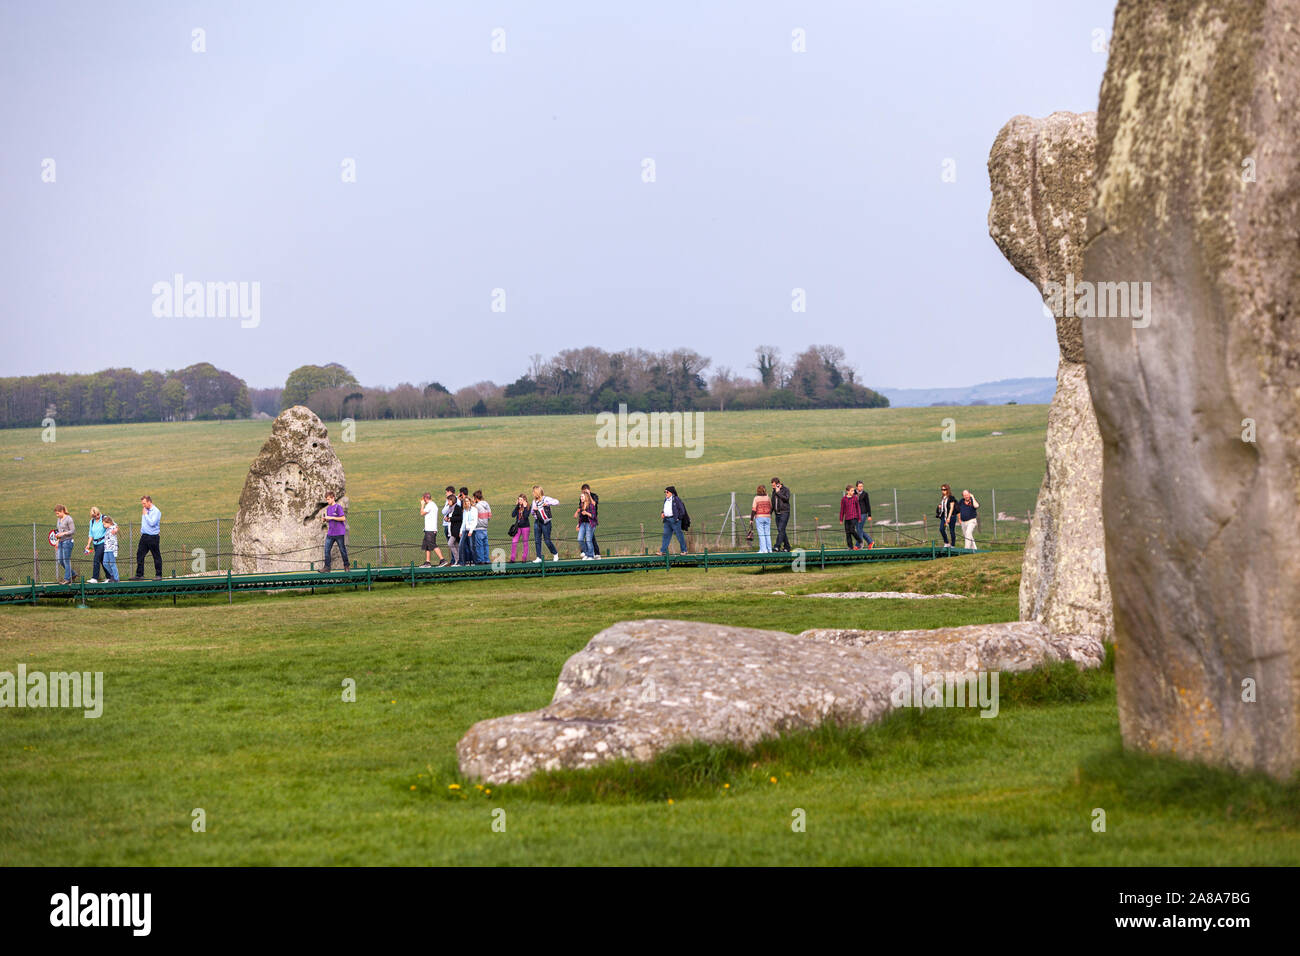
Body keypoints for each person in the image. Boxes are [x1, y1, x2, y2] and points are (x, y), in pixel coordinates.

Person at [133, 495, 162, 580]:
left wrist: (145, 515)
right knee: (139, 555)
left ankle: (158, 575)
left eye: (144, 503)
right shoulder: (145, 509)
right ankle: (139, 575)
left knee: (156, 556)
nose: (143, 505)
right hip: (144, 536)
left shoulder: (156, 511)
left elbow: (152, 523)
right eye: (142, 504)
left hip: (153, 537)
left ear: (149, 502)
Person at [531, 486, 560, 562]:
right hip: (537, 522)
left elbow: (557, 502)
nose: (533, 494)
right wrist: (534, 511)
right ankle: (538, 557)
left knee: (547, 540)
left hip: (546, 522)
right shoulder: (534, 501)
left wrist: (547, 503)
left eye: (534, 492)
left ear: (537, 492)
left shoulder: (545, 498)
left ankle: (555, 553)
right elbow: (532, 513)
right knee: (537, 540)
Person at [322, 492, 350, 571]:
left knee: (342, 550)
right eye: (326, 499)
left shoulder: (338, 507)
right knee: (326, 550)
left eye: (328, 499)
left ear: (333, 498)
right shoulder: (328, 509)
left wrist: (332, 517)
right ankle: (327, 567)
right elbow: (330, 520)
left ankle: (346, 566)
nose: (327, 501)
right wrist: (325, 520)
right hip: (330, 533)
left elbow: (343, 518)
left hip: (339, 533)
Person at [658, 485, 688, 555]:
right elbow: (665, 508)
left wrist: (678, 518)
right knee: (666, 535)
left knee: (679, 535)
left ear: (671, 492)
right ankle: (663, 551)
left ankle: (684, 550)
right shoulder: (666, 499)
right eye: (665, 492)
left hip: (674, 520)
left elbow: (682, 510)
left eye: (667, 492)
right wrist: (663, 512)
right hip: (667, 520)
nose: (666, 493)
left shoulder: (676, 499)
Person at [419, 493, 446, 567]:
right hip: (428, 529)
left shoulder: (430, 505)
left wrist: (422, 505)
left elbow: (422, 513)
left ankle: (442, 560)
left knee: (432, 544)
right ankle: (428, 562)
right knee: (427, 545)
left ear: (425, 498)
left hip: (431, 529)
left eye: (423, 499)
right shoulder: (432, 505)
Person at [53, 505, 76, 584]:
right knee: (60, 560)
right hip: (61, 542)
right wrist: (57, 541)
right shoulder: (59, 519)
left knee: (66, 560)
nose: (57, 515)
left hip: (68, 541)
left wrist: (63, 533)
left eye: (58, 513)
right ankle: (73, 574)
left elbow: (73, 531)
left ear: (62, 511)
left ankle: (67, 579)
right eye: (56, 514)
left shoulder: (69, 519)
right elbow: (59, 531)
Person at [84, 506, 107, 582]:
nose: (97, 516)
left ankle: (94, 578)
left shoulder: (104, 518)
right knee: (102, 561)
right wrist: (88, 544)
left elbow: (112, 525)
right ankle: (109, 577)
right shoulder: (92, 521)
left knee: (96, 559)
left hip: (103, 542)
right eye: (94, 516)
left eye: (98, 514)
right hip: (95, 543)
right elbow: (91, 533)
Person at [770, 478, 792, 551]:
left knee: (781, 529)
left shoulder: (785, 490)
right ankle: (787, 546)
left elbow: (786, 498)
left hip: (784, 512)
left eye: (773, 485)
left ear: (778, 484)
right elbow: (773, 503)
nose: (772, 487)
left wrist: (778, 492)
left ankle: (777, 546)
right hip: (777, 514)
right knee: (781, 530)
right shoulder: (774, 491)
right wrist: (770, 513)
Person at [581, 483, 601, 558]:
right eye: (583, 492)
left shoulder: (594, 496)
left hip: (592, 520)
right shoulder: (582, 497)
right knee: (590, 536)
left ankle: (587, 553)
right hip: (585, 520)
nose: (584, 493)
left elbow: (594, 504)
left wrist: (589, 495)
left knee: (589, 536)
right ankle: (596, 553)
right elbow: (581, 508)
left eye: (585, 492)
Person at [458, 488, 478, 565]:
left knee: (472, 546)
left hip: (471, 530)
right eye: (465, 501)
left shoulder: (474, 509)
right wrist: (460, 531)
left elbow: (475, 521)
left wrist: (471, 531)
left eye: (468, 501)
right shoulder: (465, 510)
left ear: (470, 501)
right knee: (461, 545)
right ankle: (462, 562)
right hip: (465, 530)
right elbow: (463, 522)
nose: (467, 503)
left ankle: (474, 562)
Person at [442, 487, 462, 565]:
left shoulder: (457, 508)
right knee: (456, 545)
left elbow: (460, 518)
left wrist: (450, 519)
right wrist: (447, 519)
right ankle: (458, 561)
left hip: (456, 530)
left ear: (452, 500)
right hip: (451, 529)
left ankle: (457, 559)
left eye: (449, 501)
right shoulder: (450, 508)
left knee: (450, 543)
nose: (448, 502)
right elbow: (443, 512)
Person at [575, 489, 596, 559]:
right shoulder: (581, 505)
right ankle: (586, 553)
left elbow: (593, 516)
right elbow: (581, 517)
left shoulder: (591, 506)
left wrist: (586, 513)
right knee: (580, 539)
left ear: (586, 497)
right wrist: (578, 524)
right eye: (580, 497)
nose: (581, 498)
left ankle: (591, 555)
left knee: (588, 540)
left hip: (589, 524)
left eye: (582, 497)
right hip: (582, 524)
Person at [509, 494, 531, 562]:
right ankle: (512, 559)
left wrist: (524, 507)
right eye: (519, 499)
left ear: (524, 500)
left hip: (525, 527)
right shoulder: (518, 507)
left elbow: (526, 516)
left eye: (521, 500)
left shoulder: (528, 507)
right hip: (518, 527)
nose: (519, 501)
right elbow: (513, 515)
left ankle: (524, 558)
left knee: (525, 542)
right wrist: (516, 507)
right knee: (514, 541)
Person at [751, 484, 772, 553]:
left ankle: (763, 550)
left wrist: (751, 519)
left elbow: (754, 509)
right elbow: (771, 507)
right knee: (767, 533)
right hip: (767, 517)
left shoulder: (756, 498)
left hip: (759, 517)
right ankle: (769, 549)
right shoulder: (768, 498)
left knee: (761, 534)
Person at [936, 484, 958, 548]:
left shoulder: (951, 498)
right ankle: (946, 542)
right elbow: (944, 507)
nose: (943, 491)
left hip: (951, 516)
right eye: (942, 489)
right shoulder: (943, 498)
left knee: (951, 531)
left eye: (944, 489)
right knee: (941, 529)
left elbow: (951, 508)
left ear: (947, 490)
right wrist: (940, 507)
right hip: (944, 516)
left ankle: (953, 545)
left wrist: (949, 517)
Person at [472, 491, 491, 564]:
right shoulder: (486, 504)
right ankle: (487, 559)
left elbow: (473, 515)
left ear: (476, 498)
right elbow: (489, 516)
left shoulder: (477, 506)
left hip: (478, 528)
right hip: (485, 527)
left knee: (479, 545)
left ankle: (481, 560)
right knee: (485, 545)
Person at [855, 481, 874, 549]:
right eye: (860, 486)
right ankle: (870, 541)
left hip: (863, 513)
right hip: (855, 514)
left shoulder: (865, 494)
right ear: (857, 487)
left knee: (859, 528)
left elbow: (868, 505)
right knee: (858, 529)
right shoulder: (853, 492)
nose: (861, 487)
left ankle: (858, 545)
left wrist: (869, 515)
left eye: (862, 486)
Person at [101, 515, 120, 582]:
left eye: (104, 524)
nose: (104, 525)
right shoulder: (107, 529)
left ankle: (116, 578)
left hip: (112, 549)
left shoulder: (113, 527)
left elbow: (115, 526)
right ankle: (112, 575)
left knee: (112, 563)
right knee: (105, 563)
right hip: (106, 549)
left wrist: (116, 529)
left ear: (109, 523)